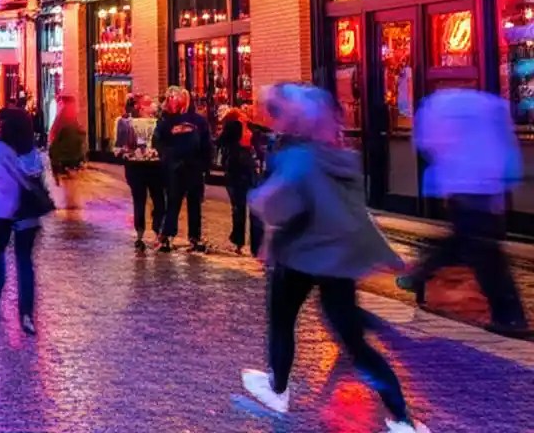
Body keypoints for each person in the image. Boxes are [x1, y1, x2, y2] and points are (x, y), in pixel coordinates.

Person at [240, 84, 430, 433]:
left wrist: (260, 209)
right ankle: (403, 419)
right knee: (355, 342)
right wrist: (391, 257)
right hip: (336, 263)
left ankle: (277, 387)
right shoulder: (345, 158)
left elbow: (275, 204)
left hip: (297, 257)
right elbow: (358, 217)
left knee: (281, 322)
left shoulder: (299, 157)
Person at [403, 89, 530, 336]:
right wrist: (505, 185)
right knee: (483, 252)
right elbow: (506, 145)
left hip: (463, 185)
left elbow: (428, 143)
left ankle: (421, 272)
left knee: (470, 244)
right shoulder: (493, 106)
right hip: (485, 186)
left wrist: (444, 179)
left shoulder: (435, 106)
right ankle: (510, 317)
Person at [0, 107, 51, 335]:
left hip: (3, 208)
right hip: (27, 210)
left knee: (0, 249)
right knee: (24, 260)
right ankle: (26, 314)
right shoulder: (32, 152)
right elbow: (38, 175)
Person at [153, 87, 212, 253]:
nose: (172, 101)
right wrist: (167, 158)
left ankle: (193, 237)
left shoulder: (198, 121)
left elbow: (207, 144)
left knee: (191, 203)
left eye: (175, 98)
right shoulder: (167, 122)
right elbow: (158, 141)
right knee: (174, 202)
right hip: (176, 168)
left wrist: (204, 165)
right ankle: (168, 236)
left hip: (192, 168)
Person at [116, 95, 163, 252]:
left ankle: (157, 232)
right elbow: (118, 146)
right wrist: (127, 152)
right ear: (140, 107)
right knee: (139, 199)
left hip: (155, 166)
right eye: (149, 104)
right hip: (136, 167)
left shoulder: (159, 122)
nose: (153, 106)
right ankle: (140, 234)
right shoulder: (125, 123)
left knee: (158, 199)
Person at [217, 106, 262, 256]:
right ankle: (255, 245)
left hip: (236, 167)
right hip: (248, 167)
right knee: (252, 207)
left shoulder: (233, 126)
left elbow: (220, 142)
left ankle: (239, 242)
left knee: (238, 207)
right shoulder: (250, 128)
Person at [48, 95, 86, 207]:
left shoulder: (63, 118)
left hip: (65, 156)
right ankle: (71, 201)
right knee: (71, 180)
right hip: (72, 155)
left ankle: (69, 201)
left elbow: (54, 136)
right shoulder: (72, 118)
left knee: (68, 180)